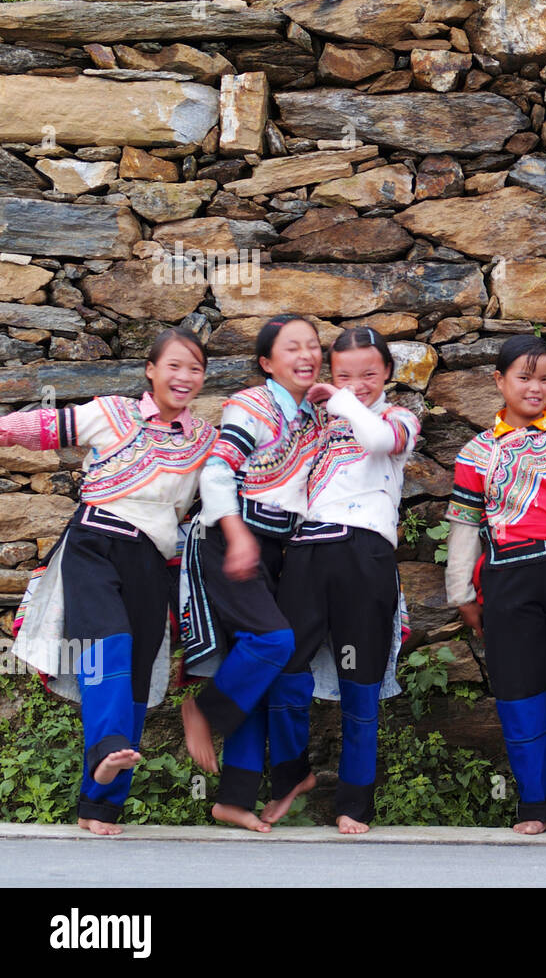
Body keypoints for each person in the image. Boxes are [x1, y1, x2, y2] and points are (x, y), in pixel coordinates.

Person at [6, 328, 216, 834]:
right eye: (174, 365)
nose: (184, 377)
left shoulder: (205, 441)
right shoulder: (112, 413)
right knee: (107, 649)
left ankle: (99, 809)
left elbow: (239, 487)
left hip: (152, 561)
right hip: (94, 546)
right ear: (151, 369)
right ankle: (105, 753)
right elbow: (37, 428)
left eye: (194, 368)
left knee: (138, 678)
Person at [445, 335, 546, 835]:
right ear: (499, 380)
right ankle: (534, 806)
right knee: (520, 693)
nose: (536, 388)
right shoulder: (476, 452)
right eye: (524, 377)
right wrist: (461, 594)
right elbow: (466, 525)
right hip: (508, 580)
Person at [178, 314, 325, 832]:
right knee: (273, 642)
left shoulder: (313, 416)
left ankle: (233, 798)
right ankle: (205, 712)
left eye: (313, 346)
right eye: (292, 348)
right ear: (266, 362)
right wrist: (238, 535)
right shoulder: (250, 405)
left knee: (263, 673)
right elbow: (217, 471)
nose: (307, 355)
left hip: (278, 548)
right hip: (230, 539)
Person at [275, 327, 421, 834]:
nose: (357, 385)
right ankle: (291, 776)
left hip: (365, 553)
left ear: (387, 375)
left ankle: (353, 804)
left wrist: (340, 399)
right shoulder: (314, 424)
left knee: (361, 682)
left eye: (369, 375)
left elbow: (377, 440)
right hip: (307, 552)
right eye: (344, 376)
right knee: (287, 668)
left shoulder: (397, 417)